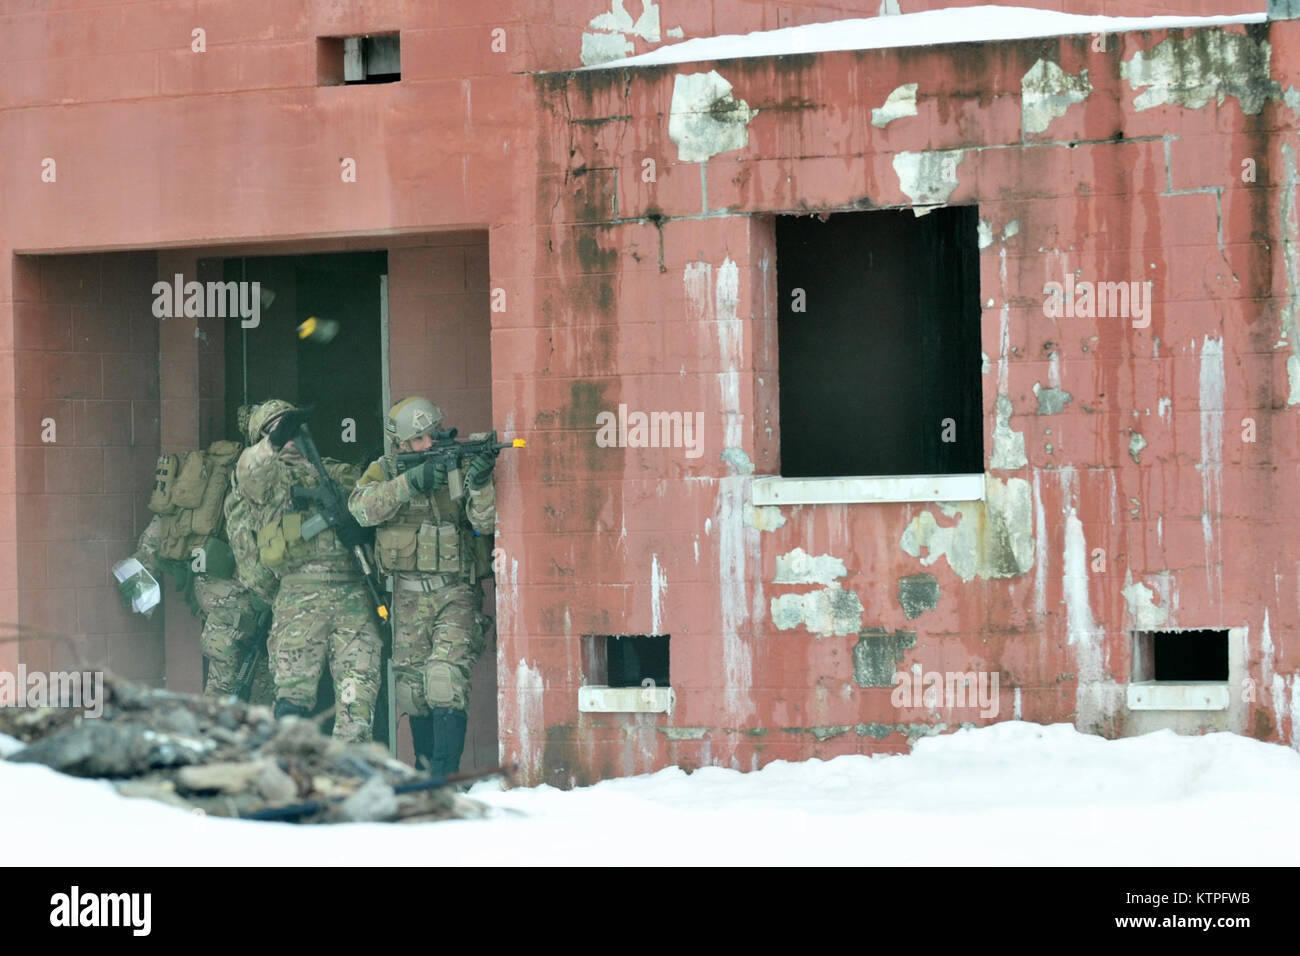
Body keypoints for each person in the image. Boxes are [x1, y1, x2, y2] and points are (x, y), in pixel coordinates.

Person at [348, 397, 498, 775]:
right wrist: (409, 483)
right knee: (413, 692)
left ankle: (443, 776)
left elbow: (485, 521)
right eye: (419, 440)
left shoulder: (457, 464)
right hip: (408, 597)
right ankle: (423, 772)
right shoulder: (383, 470)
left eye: (432, 435)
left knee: (443, 680)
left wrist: (479, 482)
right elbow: (361, 510)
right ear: (400, 444)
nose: (429, 444)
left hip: (455, 592)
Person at [235, 400, 382, 742]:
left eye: (291, 431)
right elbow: (251, 472)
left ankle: (349, 775)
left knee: (358, 692)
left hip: (353, 592)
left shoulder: (335, 471)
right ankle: (293, 775)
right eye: (276, 432)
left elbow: (371, 502)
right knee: (294, 693)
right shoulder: (265, 479)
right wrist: (270, 444)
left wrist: (361, 529)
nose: (289, 440)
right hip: (299, 596)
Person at [123, 420, 273, 703]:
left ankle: (219, 739)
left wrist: (143, 595)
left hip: (217, 610)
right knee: (261, 690)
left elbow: (149, 546)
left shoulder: (200, 496)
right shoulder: (252, 488)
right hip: (246, 607)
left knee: (221, 691)